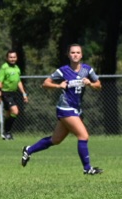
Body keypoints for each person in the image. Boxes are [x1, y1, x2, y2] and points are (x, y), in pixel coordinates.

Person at [21, 43, 103, 175]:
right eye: (72, 52)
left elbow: (99, 85)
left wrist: (91, 84)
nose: (75, 55)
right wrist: (59, 86)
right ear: (68, 55)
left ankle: (29, 150)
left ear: (81, 55)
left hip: (76, 108)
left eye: (77, 52)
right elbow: (45, 83)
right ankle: (87, 169)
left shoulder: (87, 70)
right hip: (65, 107)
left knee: (56, 140)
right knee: (83, 136)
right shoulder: (63, 70)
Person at [0, 50, 29, 140]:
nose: (12, 59)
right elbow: (0, 81)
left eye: (14, 57)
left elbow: (18, 82)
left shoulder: (17, 68)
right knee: (15, 111)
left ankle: (5, 133)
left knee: (9, 113)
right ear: (7, 58)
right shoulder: (4, 68)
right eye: (10, 57)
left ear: (16, 58)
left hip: (14, 93)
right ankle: (7, 132)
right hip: (5, 93)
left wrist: (24, 94)